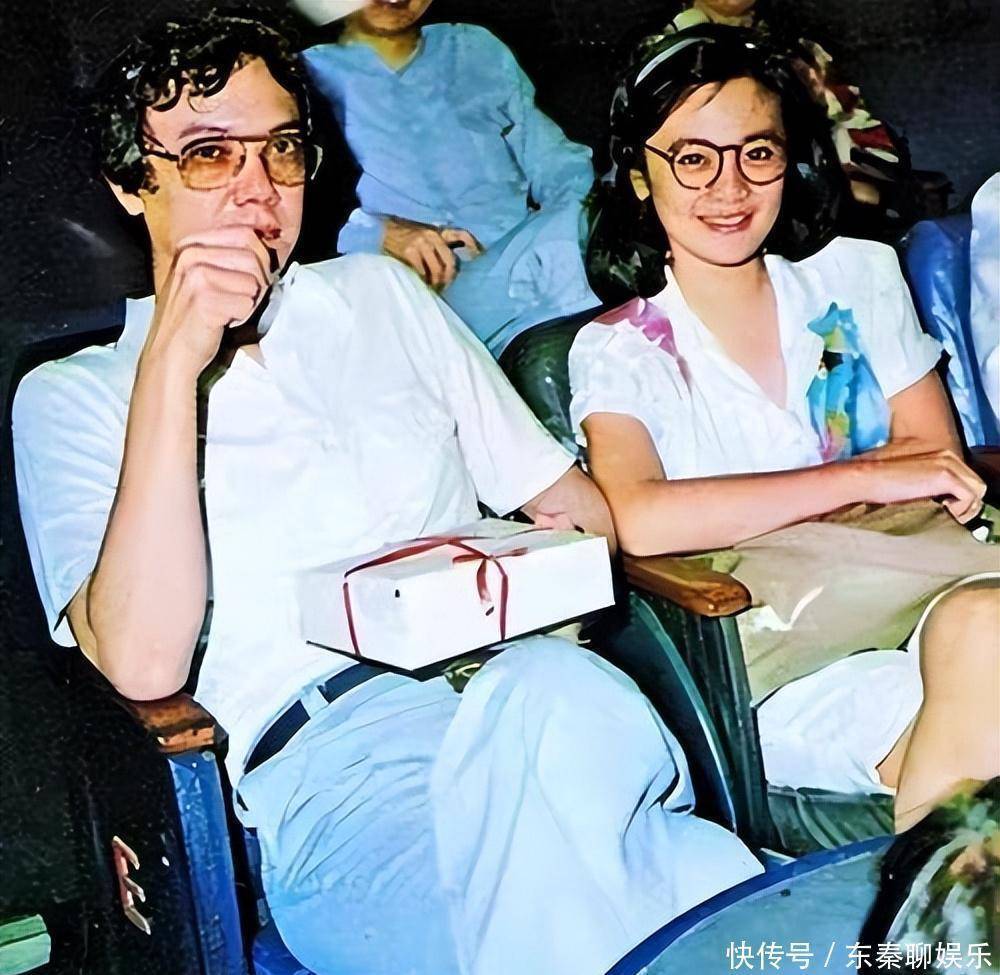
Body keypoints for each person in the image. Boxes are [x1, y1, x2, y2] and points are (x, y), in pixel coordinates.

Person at [13, 14, 761, 975]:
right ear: (130, 182)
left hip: (541, 722)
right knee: (709, 920)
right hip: (346, 793)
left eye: (283, 148)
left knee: (563, 707)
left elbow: (574, 511)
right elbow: (145, 665)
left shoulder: (382, 296)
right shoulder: (74, 397)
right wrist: (170, 369)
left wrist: (530, 608)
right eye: (209, 154)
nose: (258, 189)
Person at [570, 26, 999, 835]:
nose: (729, 187)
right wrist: (866, 475)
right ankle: (935, 907)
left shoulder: (858, 275)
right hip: (784, 652)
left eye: (756, 153)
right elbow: (638, 514)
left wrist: (769, 499)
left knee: (985, 632)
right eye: (692, 159)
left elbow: (934, 456)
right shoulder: (622, 348)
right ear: (638, 176)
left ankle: (932, 908)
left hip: (926, 588)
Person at [299, 0, 601, 357]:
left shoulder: (475, 49)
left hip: (530, 260)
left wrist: (579, 221)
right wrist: (376, 233)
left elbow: (559, 165)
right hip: (420, 296)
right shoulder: (306, 77)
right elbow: (293, 213)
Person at [662, 0, 911, 223]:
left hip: (799, 210)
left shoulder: (800, 54)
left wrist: (856, 183)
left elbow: (859, 127)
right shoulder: (659, 55)